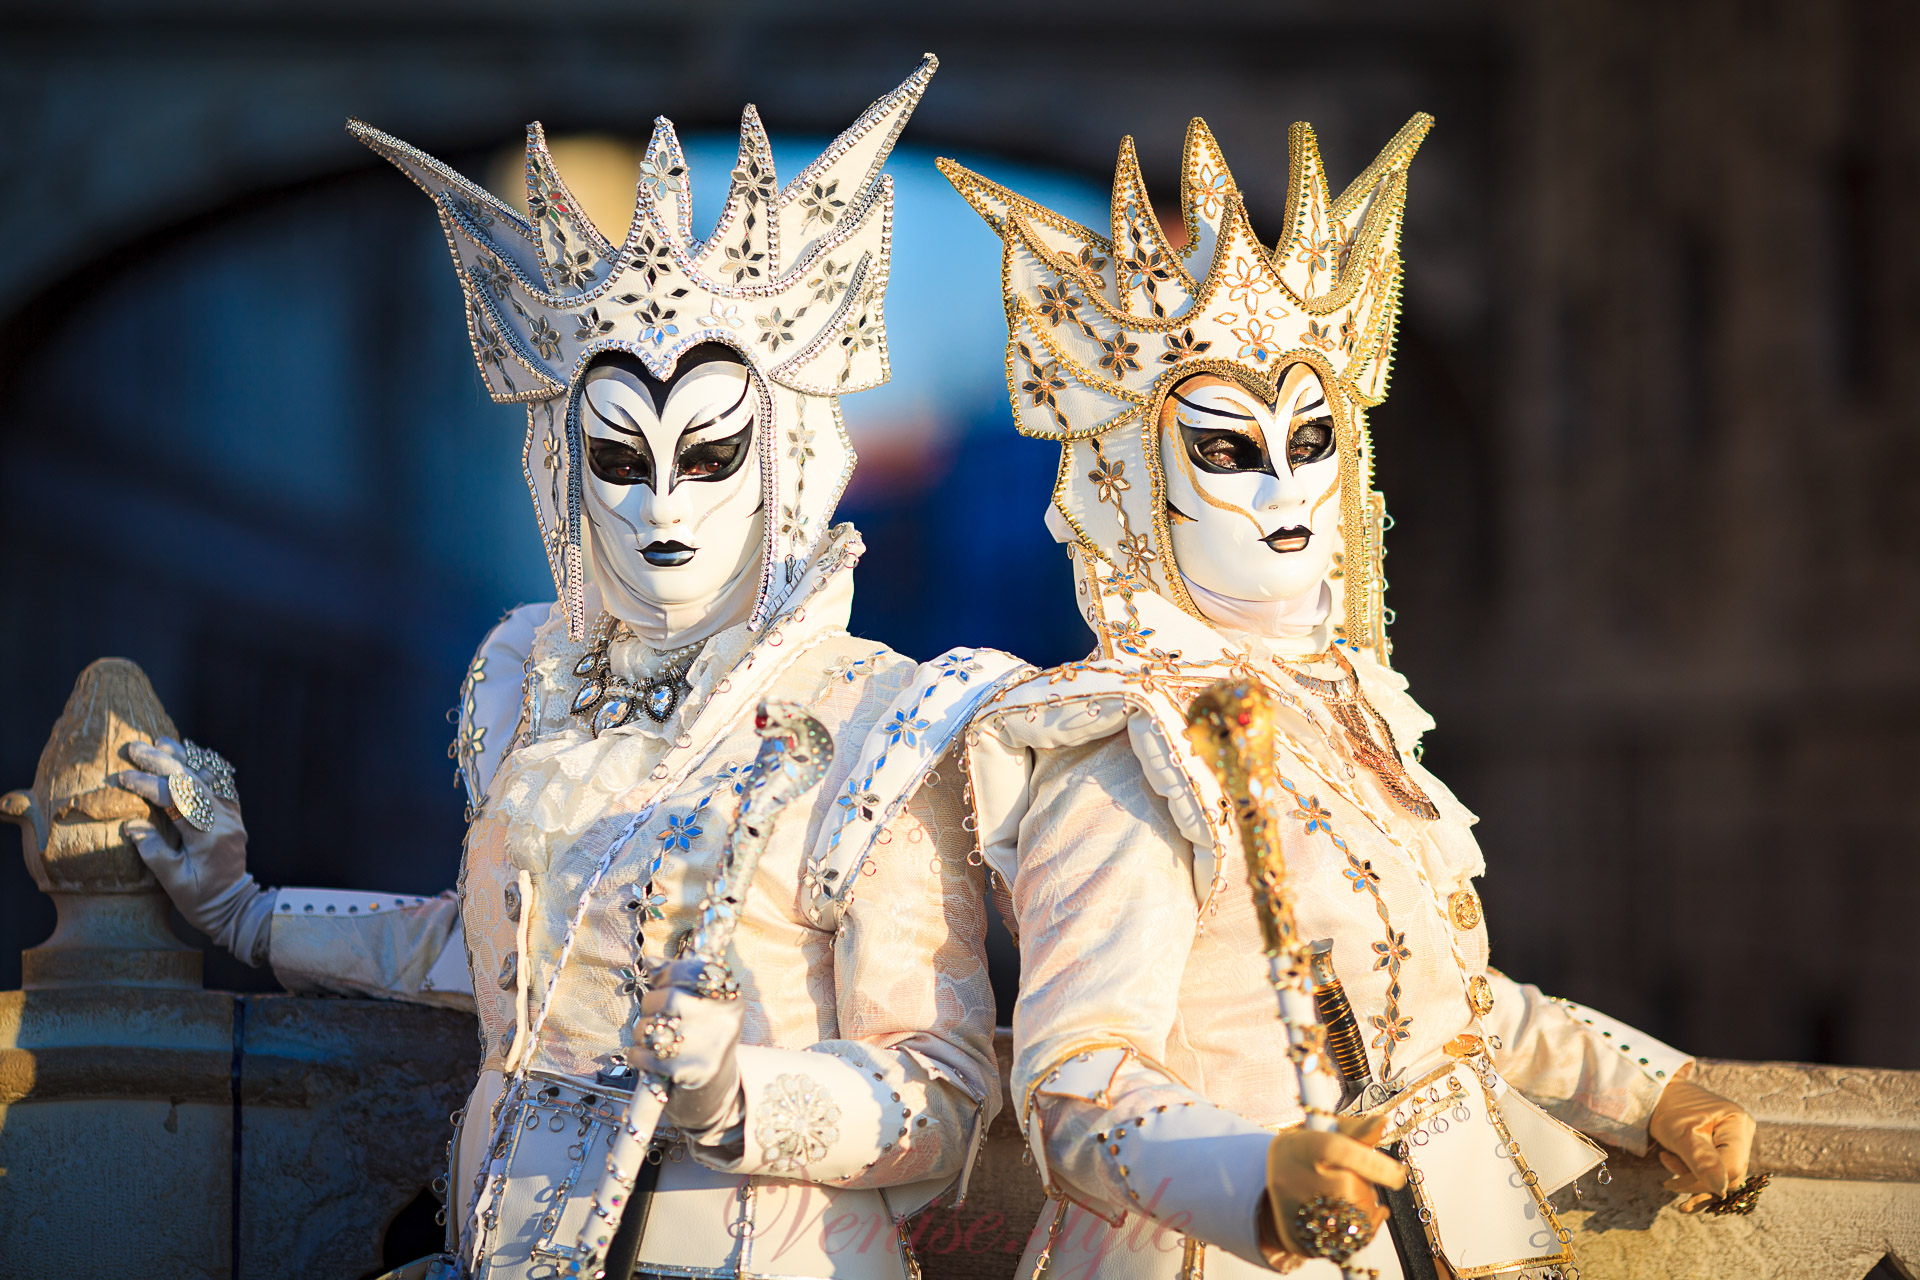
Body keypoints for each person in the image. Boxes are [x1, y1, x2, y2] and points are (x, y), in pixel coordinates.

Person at [112, 56, 1031, 1280]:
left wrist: (730, 1089)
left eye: (707, 456)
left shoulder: (879, 718)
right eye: (619, 456)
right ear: (566, 468)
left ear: (784, 461)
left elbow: (941, 1086)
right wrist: (243, 907)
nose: (660, 506)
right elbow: (493, 953)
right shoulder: (527, 682)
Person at [941, 114, 1756, 1280]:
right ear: (1136, 481)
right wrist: (1249, 1174)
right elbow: (1074, 1077)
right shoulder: (1126, 742)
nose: (1285, 490)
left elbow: (1438, 1001)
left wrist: (1653, 1086)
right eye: (1228, 451)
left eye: (1312, 439)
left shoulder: (1343, 709)